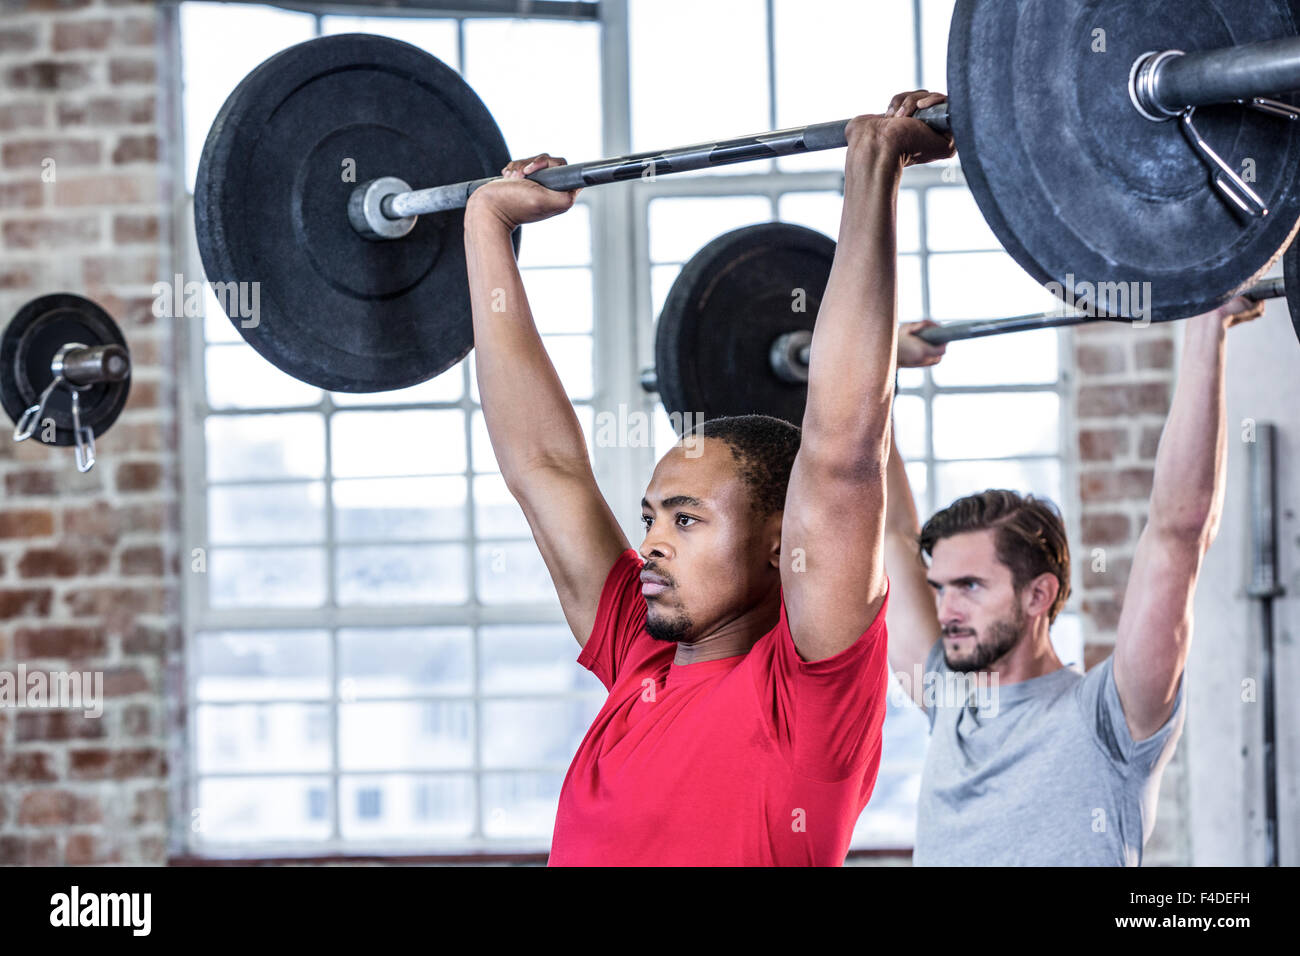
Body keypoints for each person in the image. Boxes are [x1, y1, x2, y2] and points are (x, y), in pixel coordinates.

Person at [462, 91, 954, 865]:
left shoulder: (806, 696)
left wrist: (873, 165)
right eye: (653, 517)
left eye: (686, 520)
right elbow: (543, 466)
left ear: (780, 545)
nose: (651, 543)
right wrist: (487, 226)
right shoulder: (639, 655)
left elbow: (842, 451)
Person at [884, 297, 1267, 865]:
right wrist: (877, 367)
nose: (946, 609)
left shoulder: (1109, 716)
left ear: (1039, 594)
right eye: (940, 588)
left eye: (970, 586)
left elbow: (1177, 537)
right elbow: (889, 531)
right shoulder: (947, 696)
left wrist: (1207, 327)